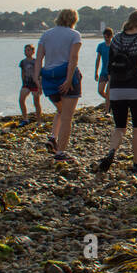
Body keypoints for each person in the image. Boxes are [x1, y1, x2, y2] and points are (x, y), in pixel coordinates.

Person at [95, 11, 137, 173]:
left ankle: (111, 151)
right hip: (136, 89)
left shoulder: (116, 39)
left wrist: (108, 89)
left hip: (116, 89)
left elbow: (109, 68)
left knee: (119, 127)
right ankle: (136, 164)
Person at [35, 9, 83, 162]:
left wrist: (37, 78)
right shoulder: (74, 35)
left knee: (61, 110)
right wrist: (69, 80)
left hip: (49, 78)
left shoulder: (46, 34)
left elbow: (39, 58)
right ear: (74, 19)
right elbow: (73, 59)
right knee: (67, 117)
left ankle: (53, 137)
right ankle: (60, 152)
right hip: (65, 76)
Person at [17, 44, 42, 125]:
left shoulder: (36, 61)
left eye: (28, 50)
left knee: (36, 102)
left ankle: (39, 121)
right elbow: (22, 73)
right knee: (21, 100)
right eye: (25, 50)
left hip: (35, 83)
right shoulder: (23, 62)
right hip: (26, 84)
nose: (26, 51)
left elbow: (40, 74)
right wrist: (23, 83)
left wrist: (40, 86)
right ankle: (25, 119)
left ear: (33, 51)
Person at [94, 27, 113, 113]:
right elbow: (98, 59)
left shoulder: (114, 45)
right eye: (105, 37)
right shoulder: (101, 46)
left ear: (111, 36)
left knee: (108, 92)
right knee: (100, 91)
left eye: (108, 37)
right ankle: (111, 101)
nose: (106, 39)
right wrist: (96, 72)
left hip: (112, 72)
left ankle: (107, 111)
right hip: (103, 72)